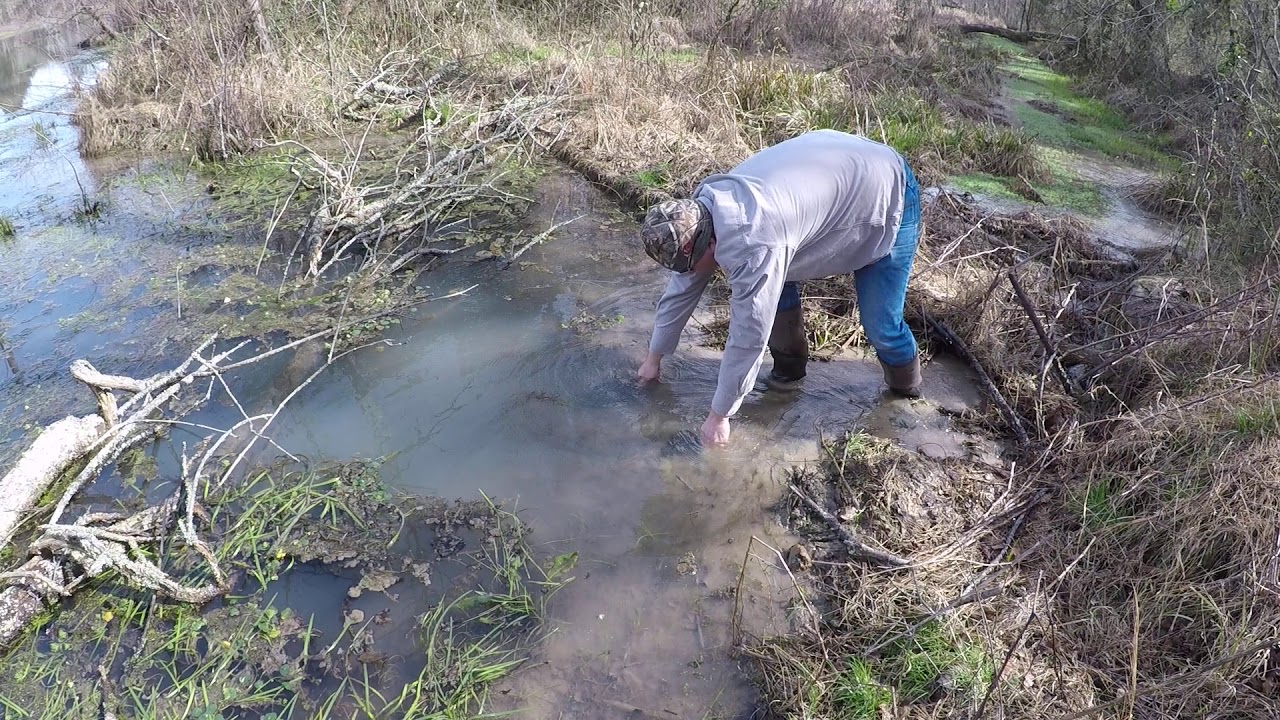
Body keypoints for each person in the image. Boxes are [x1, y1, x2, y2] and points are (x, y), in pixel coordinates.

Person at [635, 129, 923, 449]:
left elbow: (749, 335)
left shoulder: (754, 242)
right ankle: (788, 378)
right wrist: (653, 358)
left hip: (887, 191)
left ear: (710, 244)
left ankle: (904, 399)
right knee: (774, 284)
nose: (686, 274)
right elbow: (682, 288)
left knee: (881, 325)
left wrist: (720, 416)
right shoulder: (699, 216)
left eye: (688, 265)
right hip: (832, 179)